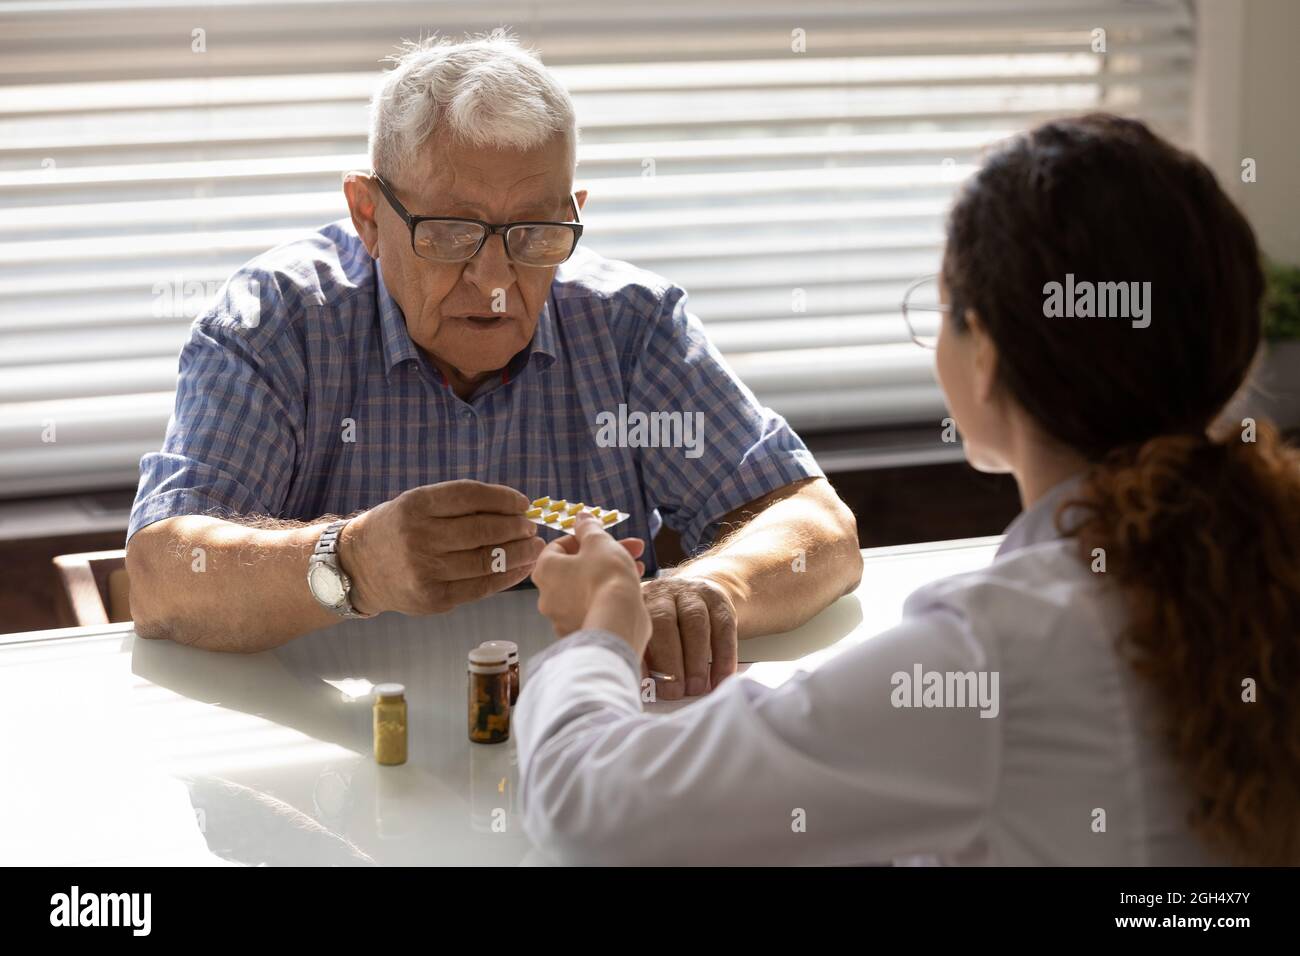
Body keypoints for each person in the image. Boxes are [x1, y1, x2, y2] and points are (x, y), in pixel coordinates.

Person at [517, 113, 1300, 865]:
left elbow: (593, 814)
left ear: (985, 354)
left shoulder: (994, 652)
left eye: (946, 312)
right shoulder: (1257, 556)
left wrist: (599, 634)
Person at [124, 32, 862, 690]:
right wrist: (352, 564)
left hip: (584, 748)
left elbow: (816, 528)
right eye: (450, 233)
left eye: (535, 231)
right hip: (334, 754)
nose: (497, 280)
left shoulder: (629, 326)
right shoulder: (277, 322)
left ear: (573, 209)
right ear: (368, 214)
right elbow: (162, 577)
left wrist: (707, 590)